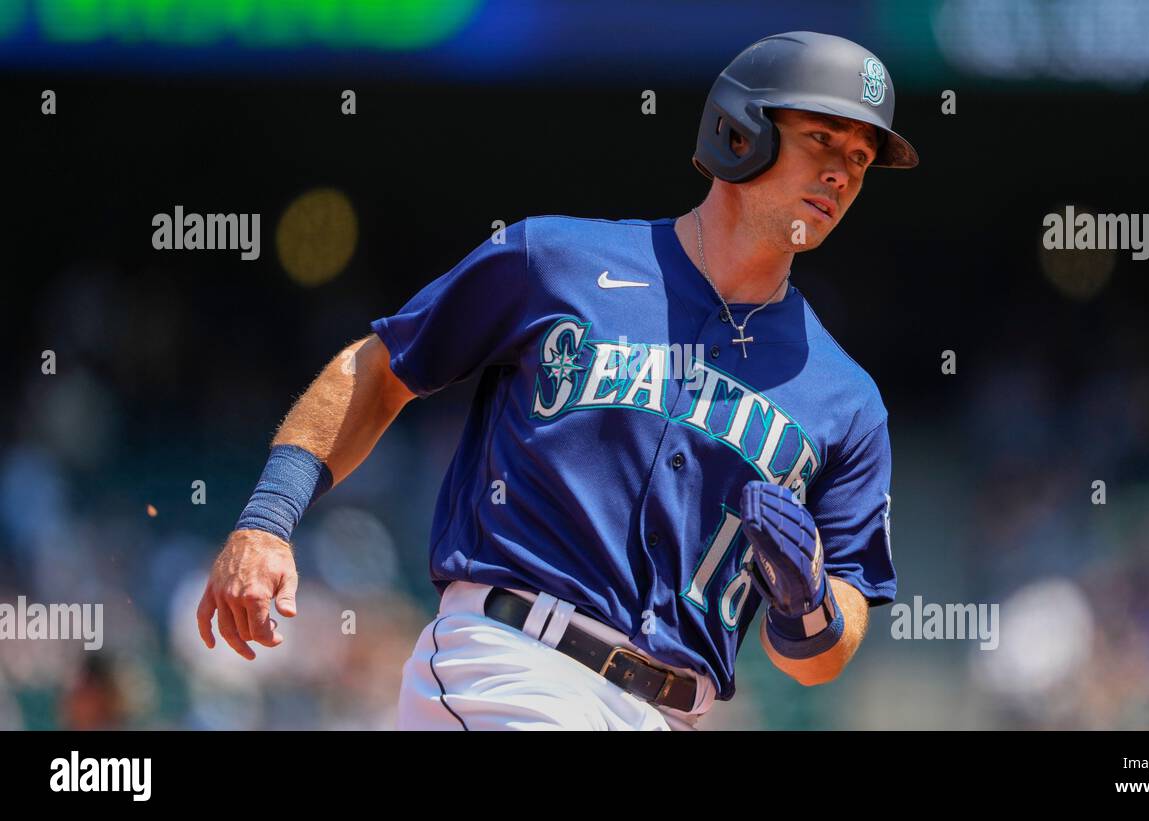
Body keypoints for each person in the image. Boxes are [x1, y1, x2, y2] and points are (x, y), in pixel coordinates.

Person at [196, 30, 917, 730]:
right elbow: (382, 369)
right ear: (740, 131)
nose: (843, 173)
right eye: (823, 138)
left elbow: (827, 647)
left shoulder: (845, 399)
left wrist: (809, 599)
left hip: (673, 712)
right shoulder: (555, 259)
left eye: (860, 159)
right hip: (513, 664)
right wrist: (267, 518)